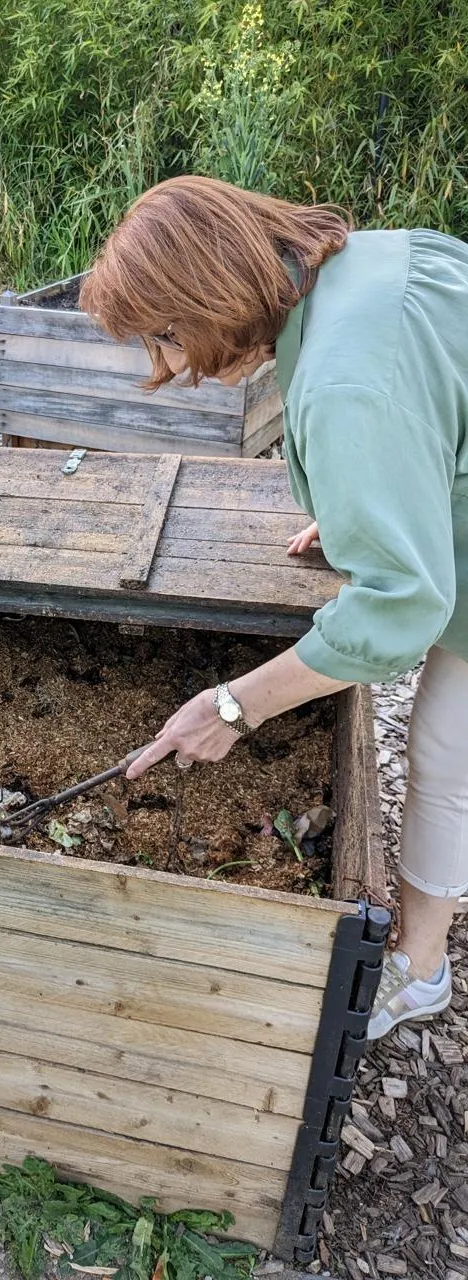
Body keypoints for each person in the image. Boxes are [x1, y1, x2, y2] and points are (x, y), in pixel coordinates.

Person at [79, 176, 468, 1040]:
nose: (176, 361)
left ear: (211, 289)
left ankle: (420, 970)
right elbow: (436, 396)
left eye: (172, 332)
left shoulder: (343, 385)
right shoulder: (365, 262)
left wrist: (232, 706)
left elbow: (401, 610)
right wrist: (369, 501)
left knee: (444, 758)